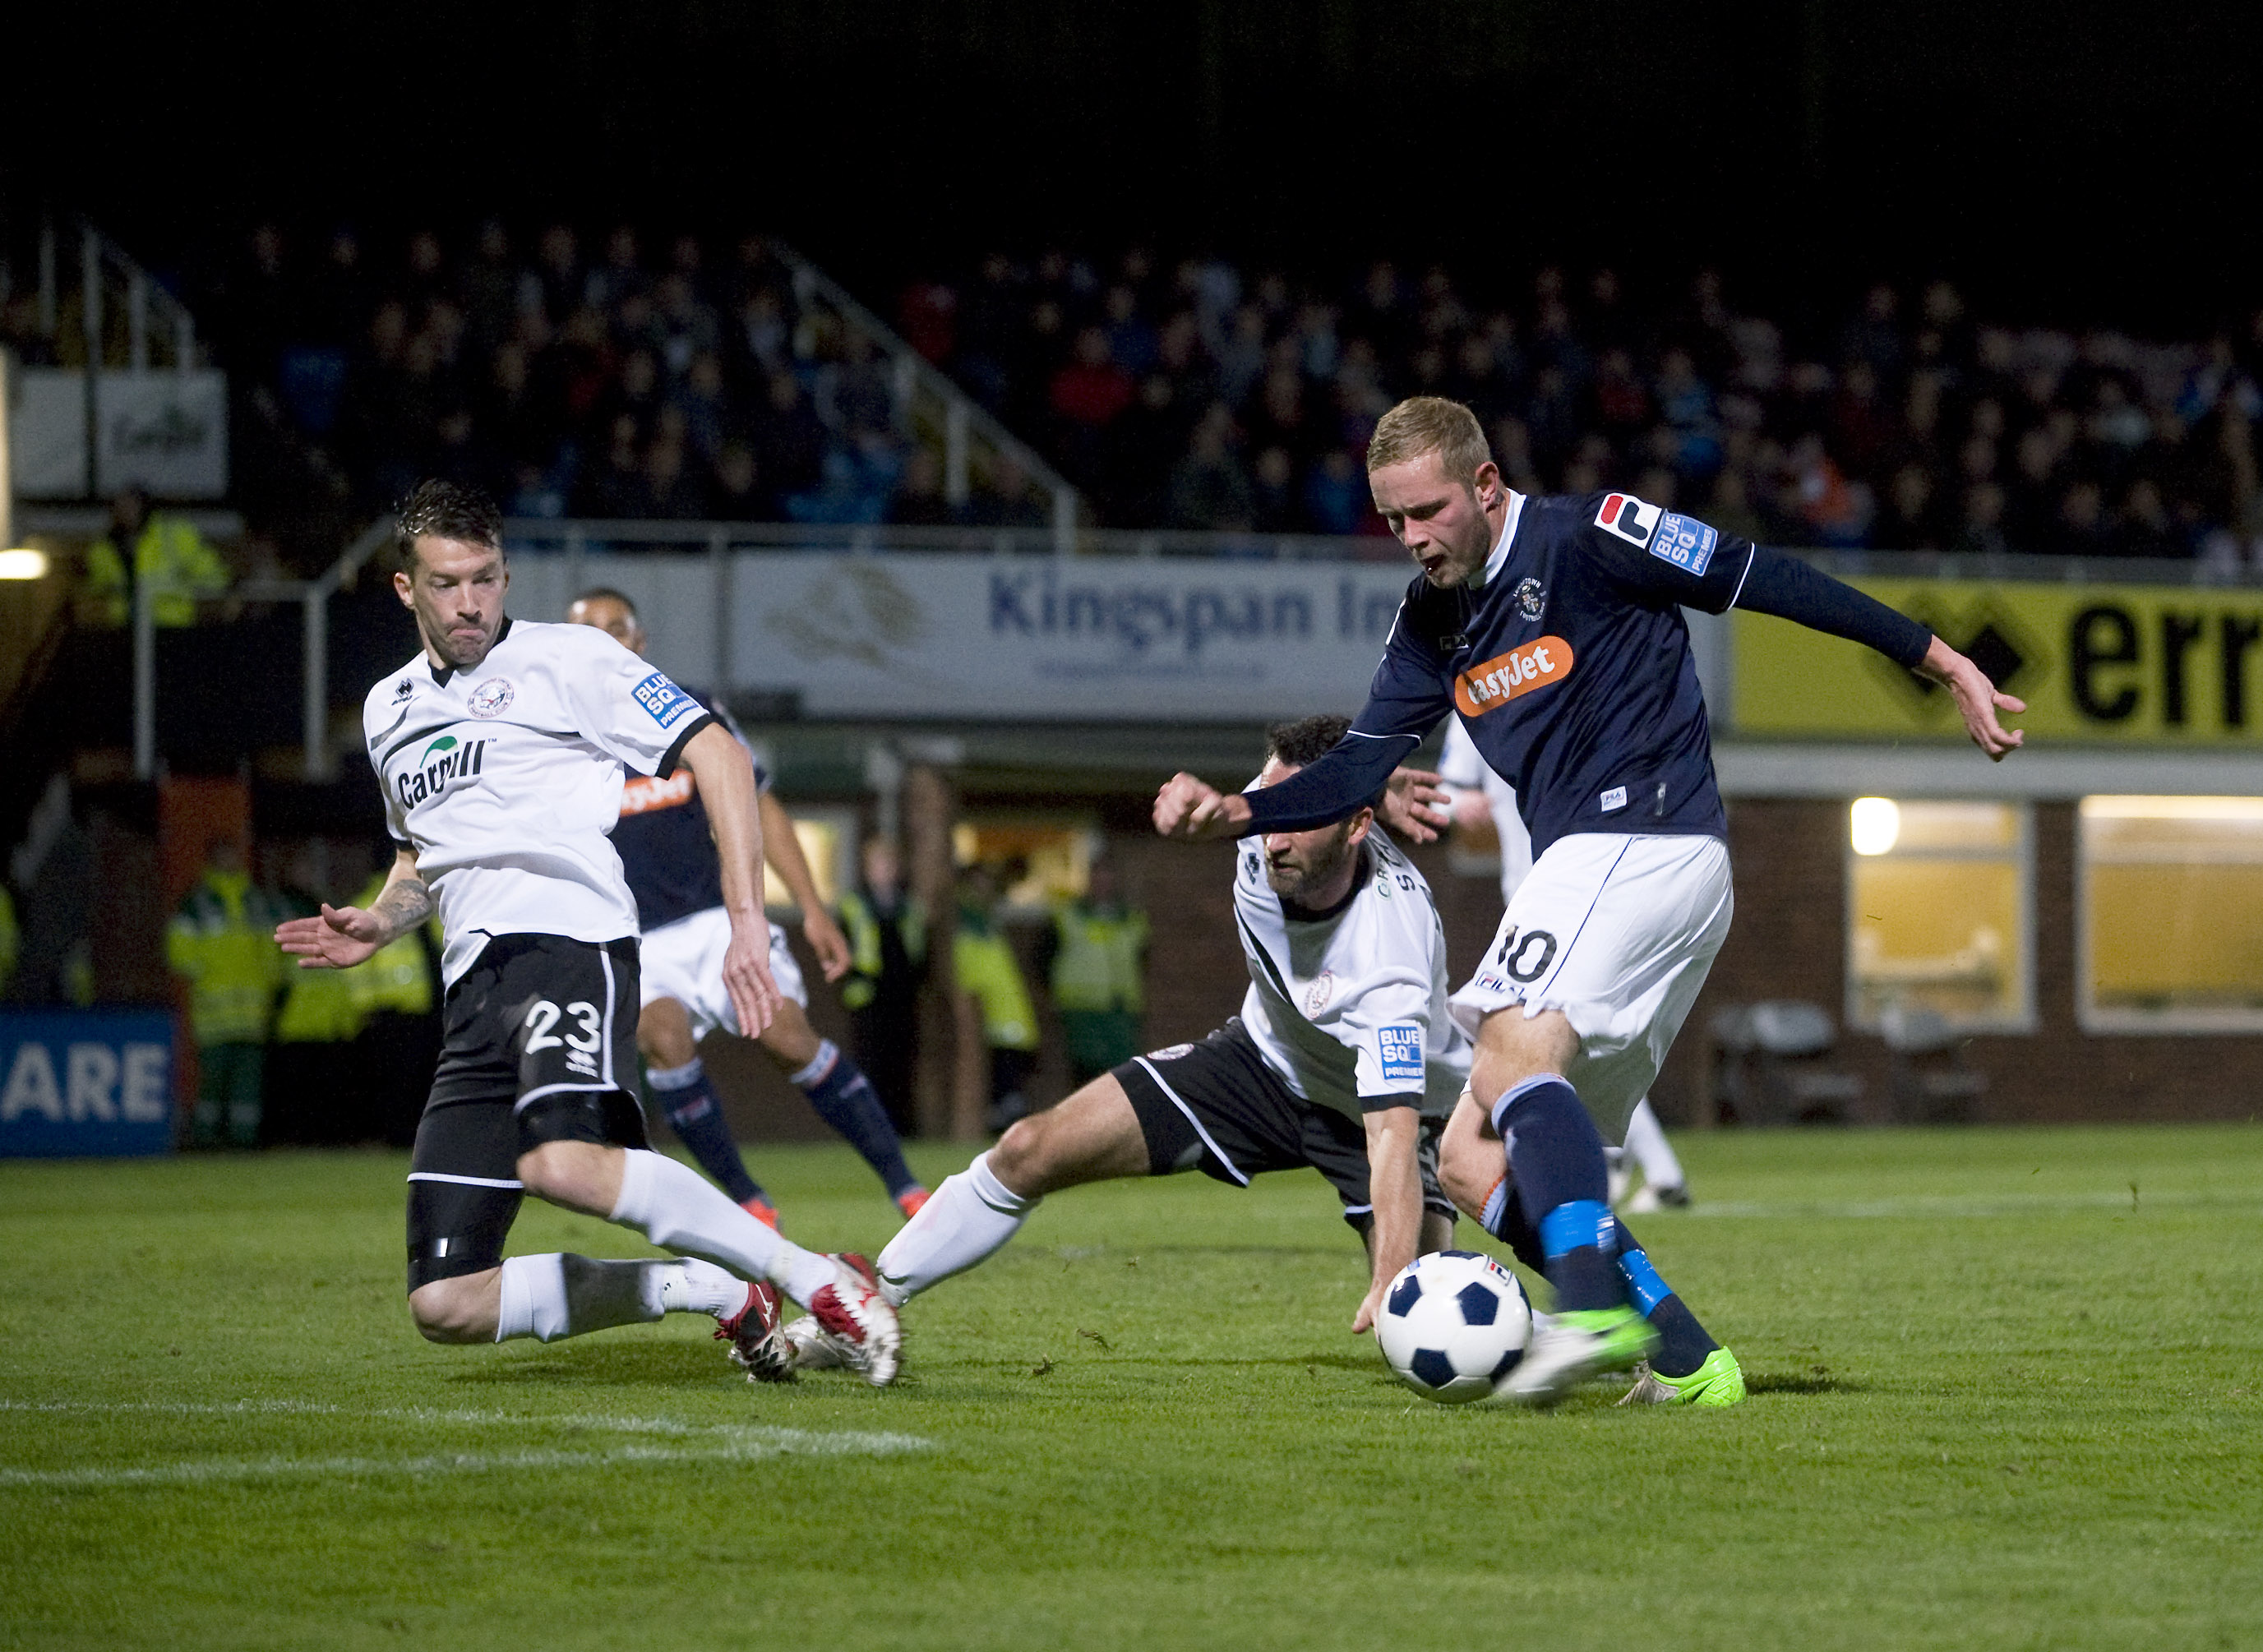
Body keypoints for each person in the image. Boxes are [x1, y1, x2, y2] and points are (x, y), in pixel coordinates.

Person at [1155, 396, 2021, 1405]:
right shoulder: (1432, 620)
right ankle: (1691, 1360)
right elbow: (1354, 769)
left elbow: (1763, 578)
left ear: (1484, 485)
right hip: (1606, 869)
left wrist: (1939, 657)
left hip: (1646, 836)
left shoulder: (1594, 534)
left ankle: (1587, 1310)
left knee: (1510, 1043)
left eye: (1428, 511)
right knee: (1474, 1157)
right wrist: (1237, 810)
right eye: (1392, 521)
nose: (1412, 539)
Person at [790, 716, 1738, 1399]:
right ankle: (861, 1302)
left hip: (1373, 1114)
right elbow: (1305, 768)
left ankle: (1675, 1346)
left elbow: (1389, 1138)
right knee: (1032, 1145)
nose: (1267, 827)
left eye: (1294, 812)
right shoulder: (1263, 829)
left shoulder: (1389, 964)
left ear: (1352, 826)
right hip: (1254, 1063)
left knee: (1431, 1309)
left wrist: (1387, 1274)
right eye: (1262, 801)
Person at [276, 480, 900, 1386]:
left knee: (565, 1163)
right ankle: (714, 1294)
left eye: (485, 578)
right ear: (405, 589)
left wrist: (747, 921)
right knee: (445, 1302)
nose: (470, 602)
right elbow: (421, 856)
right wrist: (378, 920)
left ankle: (818, 1280)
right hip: (473, 986)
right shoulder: (388, 711)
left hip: (570, 945)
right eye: (446, 584)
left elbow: (718, 752)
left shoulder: (570, 658)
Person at [564, 587, 930, 1226]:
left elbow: (758, 803)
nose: (602, 640)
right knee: (663, 1036)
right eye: (587, 630)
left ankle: (906, 1186)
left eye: (615, 626)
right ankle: (750, 1204)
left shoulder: (685, 712)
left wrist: (813, 909)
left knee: (788, 1037)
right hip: (632, 937)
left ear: (640, 640)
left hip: (714, 920)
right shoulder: (558, 738)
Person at [1438, 719, 1689, 1211]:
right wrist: (1457, 804)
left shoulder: (1575, 681)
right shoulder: (1479, 693)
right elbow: (1451, 791)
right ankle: (1640, 1167)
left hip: (1599, 884)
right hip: (1535, 897)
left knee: (1555, 1044)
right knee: (1567, 1043)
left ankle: (1635, 1171)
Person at [167, 839, 289, 1147]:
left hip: (252, 1010)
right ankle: (206, 1142)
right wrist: (207, 972)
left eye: (234, 854)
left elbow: (272, 947)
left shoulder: (255, 900)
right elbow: (179, 950)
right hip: (213, 1011)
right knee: (213, 1080)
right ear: (211, 859)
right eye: (224, 855)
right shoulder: (198, 902)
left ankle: (243, 1142)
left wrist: (271, 981)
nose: (231, 860)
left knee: (248, 1083)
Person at [838, 837, 927, 1135]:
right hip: (868, 997)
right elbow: (843, 951)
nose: (884, 871)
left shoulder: (909, 906)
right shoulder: (855, 904)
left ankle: (902, 1126)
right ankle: (871, 1126)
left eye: (889, 865)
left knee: (902, 1062)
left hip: (902, 996)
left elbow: (921, 953)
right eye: (878, 865)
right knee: (870, 1063)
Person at [1043, 858, 1149, 1087]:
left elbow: (1142, 959)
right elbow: (1042, 960)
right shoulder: (1067, 916)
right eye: (1097, 877)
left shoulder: (1132, 919)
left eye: (1108, 876)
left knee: (1121, 1076)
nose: (1103, 883)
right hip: (1081, 1010)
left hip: (1120, 1010)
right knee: (1085, 1077)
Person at [953, 863, 1041, 1132]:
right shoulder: (970, 929)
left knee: (1010, 1087)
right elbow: (973, 980)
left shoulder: (989, 927)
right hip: (996, 1023)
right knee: (1003, 1090)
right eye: (978, 885)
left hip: (1010, 1020)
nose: (985, 891)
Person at [81, 489, 233, 628]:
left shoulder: (172, 535)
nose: (125, 513)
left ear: (143, 507)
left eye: (131, 507)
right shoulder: (104, 547)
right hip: (126, 626)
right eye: (120, 507)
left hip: (171, 624)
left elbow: (212, 576)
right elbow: (98, 587)